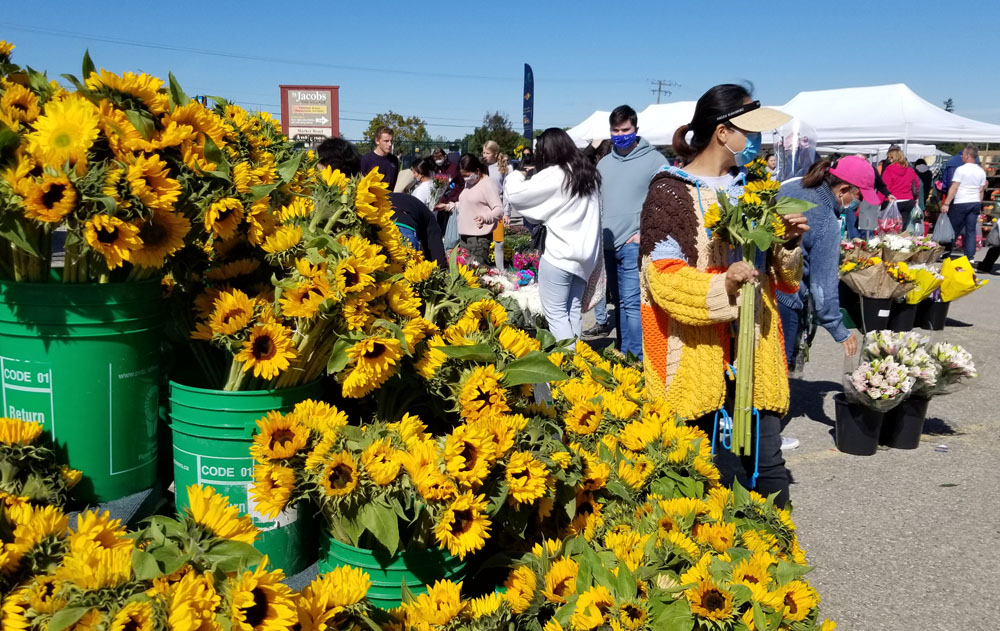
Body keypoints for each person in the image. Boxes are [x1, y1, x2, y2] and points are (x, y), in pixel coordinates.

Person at [638, 84, 808, 507]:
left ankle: (775, 561)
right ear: (722, 131)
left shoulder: (756, 186)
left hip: (756, 348)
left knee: (767, 473)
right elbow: (661, 278)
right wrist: (723, 286)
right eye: (748, 132)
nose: (756, 142)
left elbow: (784, 281)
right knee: (698, 477)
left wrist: (786, 244)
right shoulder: (669, 192)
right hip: (692, 355)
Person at [776, 157, 868, 448]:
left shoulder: (792, 184)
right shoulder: (827, 219)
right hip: (786, 296)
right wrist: (838, 330)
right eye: (858, 196)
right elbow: (822, 286)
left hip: (754, 286)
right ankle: (766, 437)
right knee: (777, 369)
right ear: (843, 190)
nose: (857, 203)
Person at [506, 128, 602, 341]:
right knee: (573, 311)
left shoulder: (557, 174)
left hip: (559, 254)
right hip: (585, 256)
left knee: (556, 314)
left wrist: (517, 174)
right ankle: (576, 361)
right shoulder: (588, 172)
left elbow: (517, 196)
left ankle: (566, 366)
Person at [592, 105, 667, 359]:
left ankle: (637, 357)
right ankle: (623, 352)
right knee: (619, 303)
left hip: (635, 242)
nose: (620, 134)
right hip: (609, 243)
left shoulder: (654, 160)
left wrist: (645, 233)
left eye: (625, 129)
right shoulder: (604, 164)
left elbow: (666, 199)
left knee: (633, 304)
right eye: (615, 130)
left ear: (636, 129)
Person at [317, 138, 446, 267]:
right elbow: (435, 246)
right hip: (402, 228)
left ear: (323, 166)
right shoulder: (374, 194)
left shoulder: (332, 201)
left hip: (390, 236)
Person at [436, 154, 503, 266]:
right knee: (464, 275)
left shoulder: (487, 184)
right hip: (464, 238)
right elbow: (465, 204)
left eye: (467, 175)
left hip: (479, 239)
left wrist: (485, 218)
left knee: (476, 274)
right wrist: (447, 206)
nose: (465, 178)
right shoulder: (469, 183)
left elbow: (499, 210)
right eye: (463, 176)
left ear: (477, 171)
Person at [941, 144, 987, 261]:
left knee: (953, 229)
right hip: (974, 202)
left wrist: (946, 203)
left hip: (961, 202)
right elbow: (981, 190)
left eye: (963, 155)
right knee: (970, 230)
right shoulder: (981, 171)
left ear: (967, 155)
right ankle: (970, 257)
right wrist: (979, 203)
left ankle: (946, 252)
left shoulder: (960, 170)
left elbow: (954, 187)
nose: (962, 157)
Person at [482, 140, 509, 269]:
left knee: (499, 242)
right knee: (483, 240)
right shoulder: (481, 167)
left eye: (487, 153)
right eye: (483, 152)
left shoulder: (502, 169)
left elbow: (506, 191)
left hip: (497, 206)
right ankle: (483, 267)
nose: (484, 155)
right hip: (483, 206)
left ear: (495, 154)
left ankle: (500, 270)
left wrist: (506, 212)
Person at [879, 147, 920, 229]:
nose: (889, 159)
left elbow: (884, 187)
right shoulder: (910, 170)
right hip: (908, 201)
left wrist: (878, 202)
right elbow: (917, 185)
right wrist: (916, 198)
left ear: (894, 158)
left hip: (893, 201)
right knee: (902, 227)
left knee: (889, 228)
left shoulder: (889, 170)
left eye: (890, 157)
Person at [430, 147, 463, 234]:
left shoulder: (454, 168)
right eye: (435, 158)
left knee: (451, 228)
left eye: (440, 157)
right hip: (439, 203)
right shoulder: (434, 169)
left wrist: (454, 197)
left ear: (445, 156)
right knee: (440, 227)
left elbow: (461, 184)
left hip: (451, 202)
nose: (438, 160)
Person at [360, 126, 400, 191]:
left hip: (390, 198)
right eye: (386, 141)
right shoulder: (366, 160)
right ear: (377, 141)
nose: (390, 144)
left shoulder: (394, 160)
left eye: (391, 141)